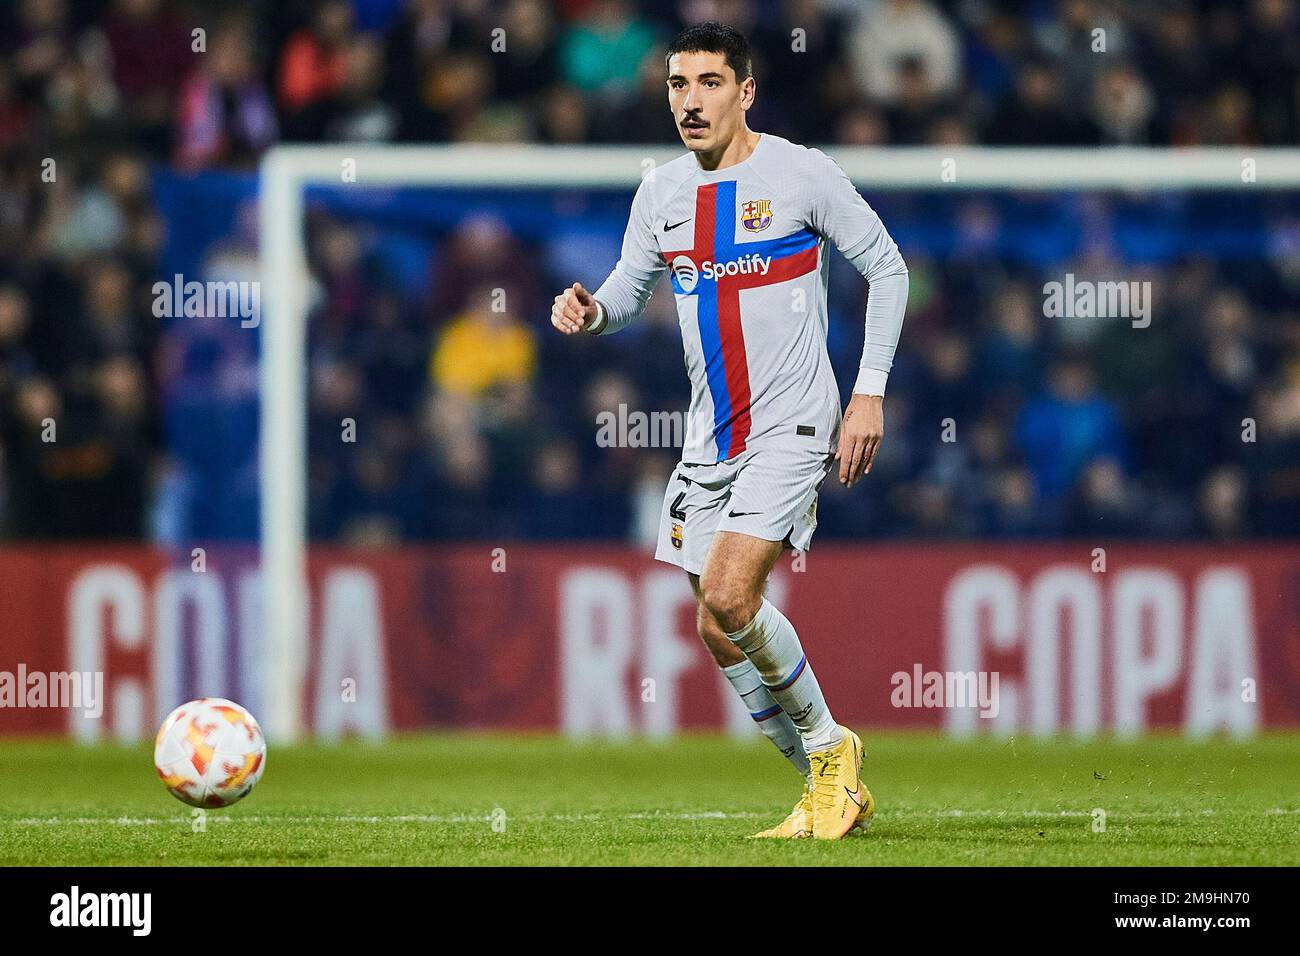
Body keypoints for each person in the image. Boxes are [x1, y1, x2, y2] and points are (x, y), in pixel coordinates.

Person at [549, 22, 908, 840]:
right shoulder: (662, 192)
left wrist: (870, 394)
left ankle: (829, 752)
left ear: (746, 92)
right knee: (716, 625)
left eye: (710, 82)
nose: (690, 100)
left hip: (796, 423)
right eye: (678, 84)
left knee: (729, 594)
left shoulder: (801, 174)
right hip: (711, 438)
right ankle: (825, 781)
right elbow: (627, 293)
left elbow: (888, 267)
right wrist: (591, 310)